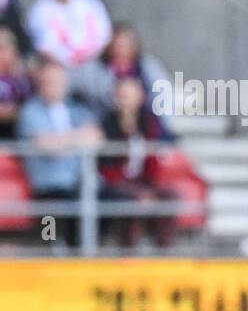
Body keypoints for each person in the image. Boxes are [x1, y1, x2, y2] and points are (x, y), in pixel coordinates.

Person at [16, 59, 104, 246]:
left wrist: (62, 140)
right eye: (49, 82)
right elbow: (48, 146)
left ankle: (89, 255)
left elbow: (96, 137)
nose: (53, 87)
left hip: (81, 182)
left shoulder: (77, 109)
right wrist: (78, 138)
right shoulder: (30, 112)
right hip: (48, 186)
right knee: (52, 223)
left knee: (113, 200)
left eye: (58, 82)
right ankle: (53, 252)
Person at [98, 76, 179, 249]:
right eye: (123, 95)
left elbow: (159, 151)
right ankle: (130, 251)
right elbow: (105, 167)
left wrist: (149, 188)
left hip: (142, 182)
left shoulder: (148, 122)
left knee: (170, 197)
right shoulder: (107, 124)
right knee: (135, 200)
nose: (126, 100)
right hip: (115, 183)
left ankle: (163, 249)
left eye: (130, 95)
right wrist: (139, 191)